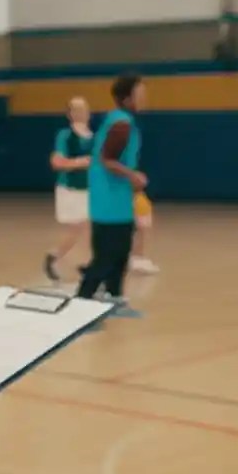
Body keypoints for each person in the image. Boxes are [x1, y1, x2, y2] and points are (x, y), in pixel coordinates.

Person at [77, 72, 147, 318]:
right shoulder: (121, 124)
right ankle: (80, 305)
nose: (144, 97)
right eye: (140, 93)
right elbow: (107, 159)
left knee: (120, 255)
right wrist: (133, 175)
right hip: (109, 202)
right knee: (106, 257)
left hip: (117, 201)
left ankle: (114, 301)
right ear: (127, 98)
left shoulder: (120, 120)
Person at [45, 96, 93, 282]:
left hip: (90, 190)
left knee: (92, 227)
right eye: (77, 109)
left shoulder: (93, 136)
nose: (82, 112)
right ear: (70, 114)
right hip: (71, 189)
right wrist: (80, 162)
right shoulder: (65, 135)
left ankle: (88, 265)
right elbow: (57, 162)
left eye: (84, 108)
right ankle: (54, 257)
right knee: (77, 229)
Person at [130, 190, 160, 274]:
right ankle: (138, 259)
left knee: (139, 232)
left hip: (134, 198)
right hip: (135, 199)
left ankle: (136, 258)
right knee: (142, 231)